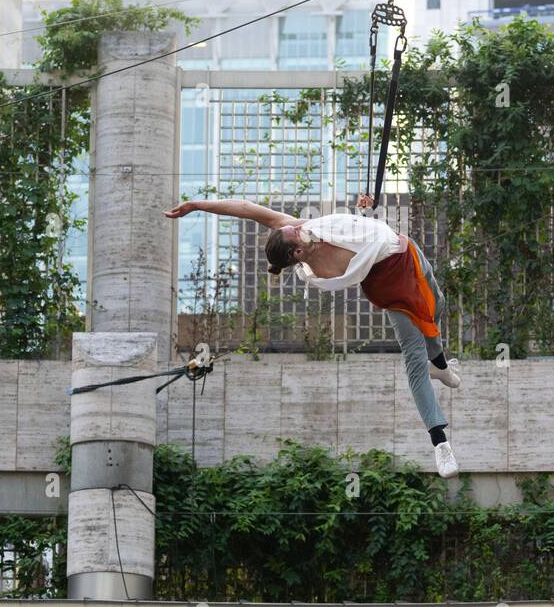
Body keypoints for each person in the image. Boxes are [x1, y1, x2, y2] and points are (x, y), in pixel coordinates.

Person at [164, 196, 462, 477]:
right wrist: (363, 222)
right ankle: (440, 443)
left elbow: (246, 208)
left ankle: (440, 365)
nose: (298, 225)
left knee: (438, 308)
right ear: (297, 252)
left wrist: (197, 205)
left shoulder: (308, 231)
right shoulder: (321, 269)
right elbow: (363, 247)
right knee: (413, 357)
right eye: (294, 231)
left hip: (408, 253)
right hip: (391, 286)